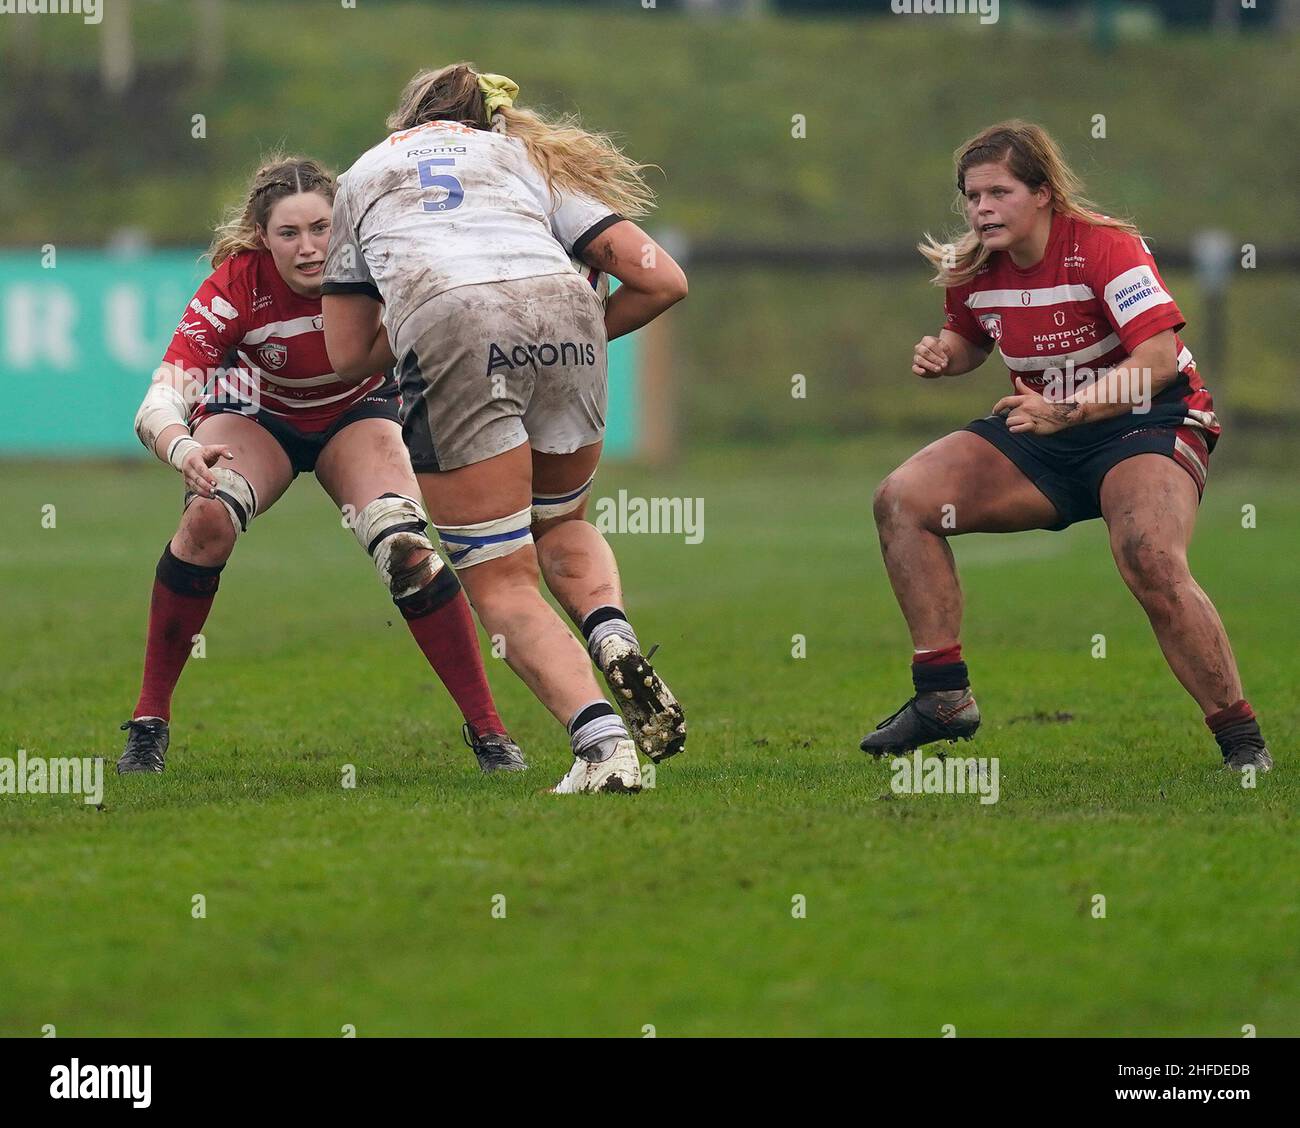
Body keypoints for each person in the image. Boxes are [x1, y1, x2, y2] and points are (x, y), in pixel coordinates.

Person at [322, 64, 689, 794]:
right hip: (565, 318)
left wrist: (445, 332)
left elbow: (346, 356)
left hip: (451, 322)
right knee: (560, 522)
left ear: (407, 117)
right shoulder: (526, 159)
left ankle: (605, 748)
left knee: (500, 576)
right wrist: (573, 338)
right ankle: (610, 629)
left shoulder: (364, 174)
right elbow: (663, 280)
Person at [861, 120, 1270, 773]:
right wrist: (947, 354)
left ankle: (1241, 741)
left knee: (1149, 557)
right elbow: (972, 338)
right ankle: (943, 697)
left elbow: (1157, 360)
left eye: (999, 192)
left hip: (1149, 421)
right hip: (1043, 428)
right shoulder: (972, 265)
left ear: (1044, 192)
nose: (981, 208)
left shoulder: (1106, 247)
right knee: (902, 499)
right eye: (971, 195)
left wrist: (1067, 409)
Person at [120, 155, 524, 775]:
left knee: (406, 546)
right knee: (207, 519)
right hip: (256, 412)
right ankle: (149, 725)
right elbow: (161, 396)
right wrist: (184, 448)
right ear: (263, 238)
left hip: (356, 409)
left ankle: (492, 735)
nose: (309, 249)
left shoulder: (384, 268)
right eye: (289, 234)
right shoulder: (237, 284)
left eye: (322, 229)